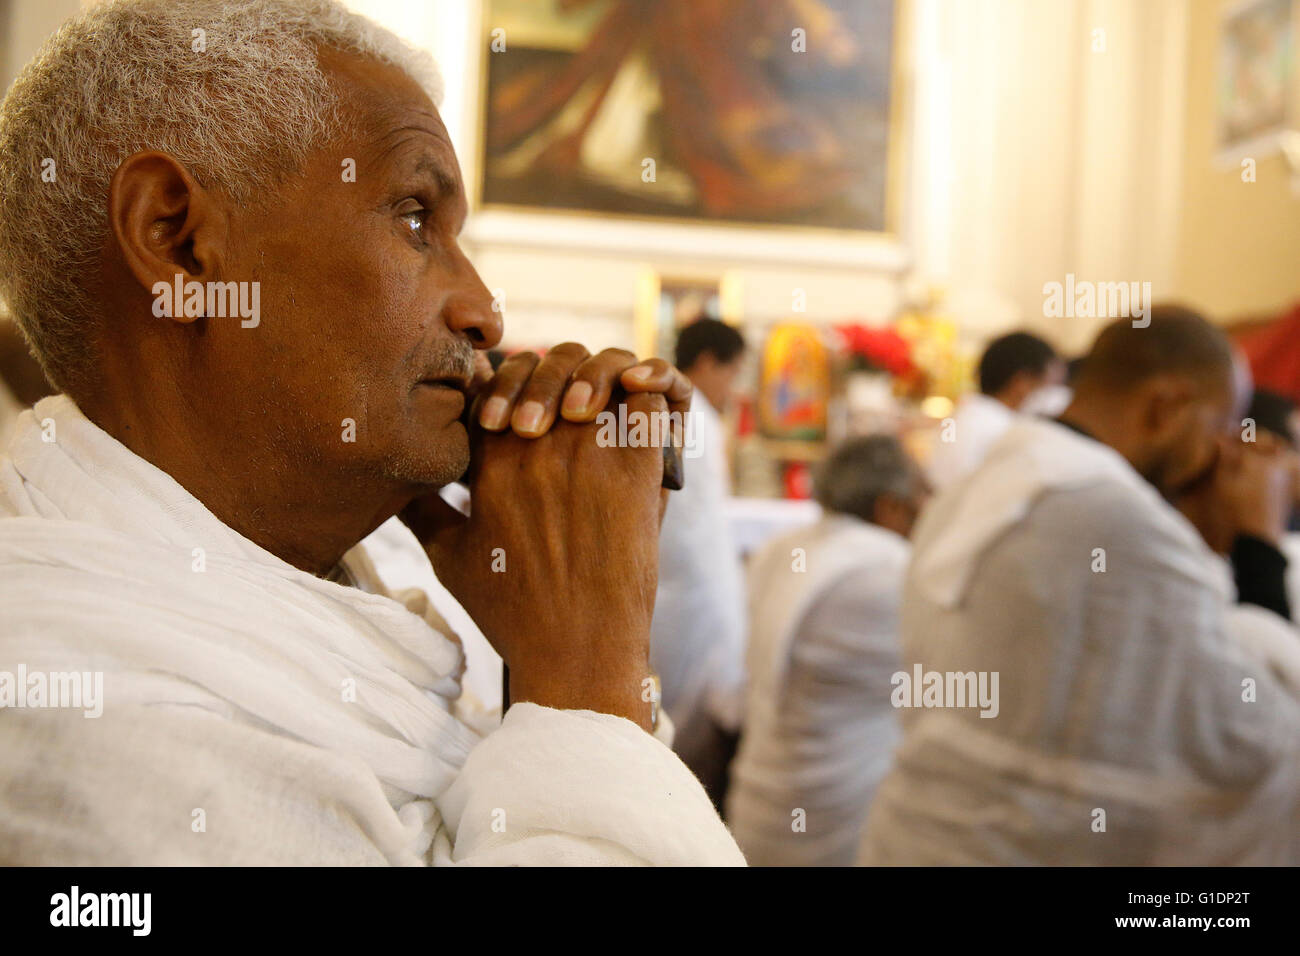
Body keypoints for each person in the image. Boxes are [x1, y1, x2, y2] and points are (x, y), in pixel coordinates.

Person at [0, 0, 743, 866]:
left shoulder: (347, 587)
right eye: (416, 216)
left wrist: (551, 648)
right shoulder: (85, 721)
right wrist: (585, 681)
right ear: (181, 242)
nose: (485, 312)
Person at [861, 307, 1300, 865]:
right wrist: (1259, 541)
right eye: (1218, 431)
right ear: (1166, 408)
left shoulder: (986, 480)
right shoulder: (1113, 518)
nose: (1220, 457)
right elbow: (1254, 746)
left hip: (915, 839)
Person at [727, 435, 929, 865]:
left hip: (755, 805)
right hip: (838, 823)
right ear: (891, 507)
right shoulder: (888, 571)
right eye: (923, 492)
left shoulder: (783, 548)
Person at [651, 316, 748, 806]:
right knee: (687, 717)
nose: (734, 387)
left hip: (684, 582)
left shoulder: (685, 411)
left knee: (683, 707)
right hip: (692, 586)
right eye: (732, 373)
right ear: (708, 362)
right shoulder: (690, 413)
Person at [928, 330, 1065, 489]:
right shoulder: (1002, 431)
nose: (1054, 396)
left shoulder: (967, 413)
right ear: (1021, 382)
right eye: (1049, 385)